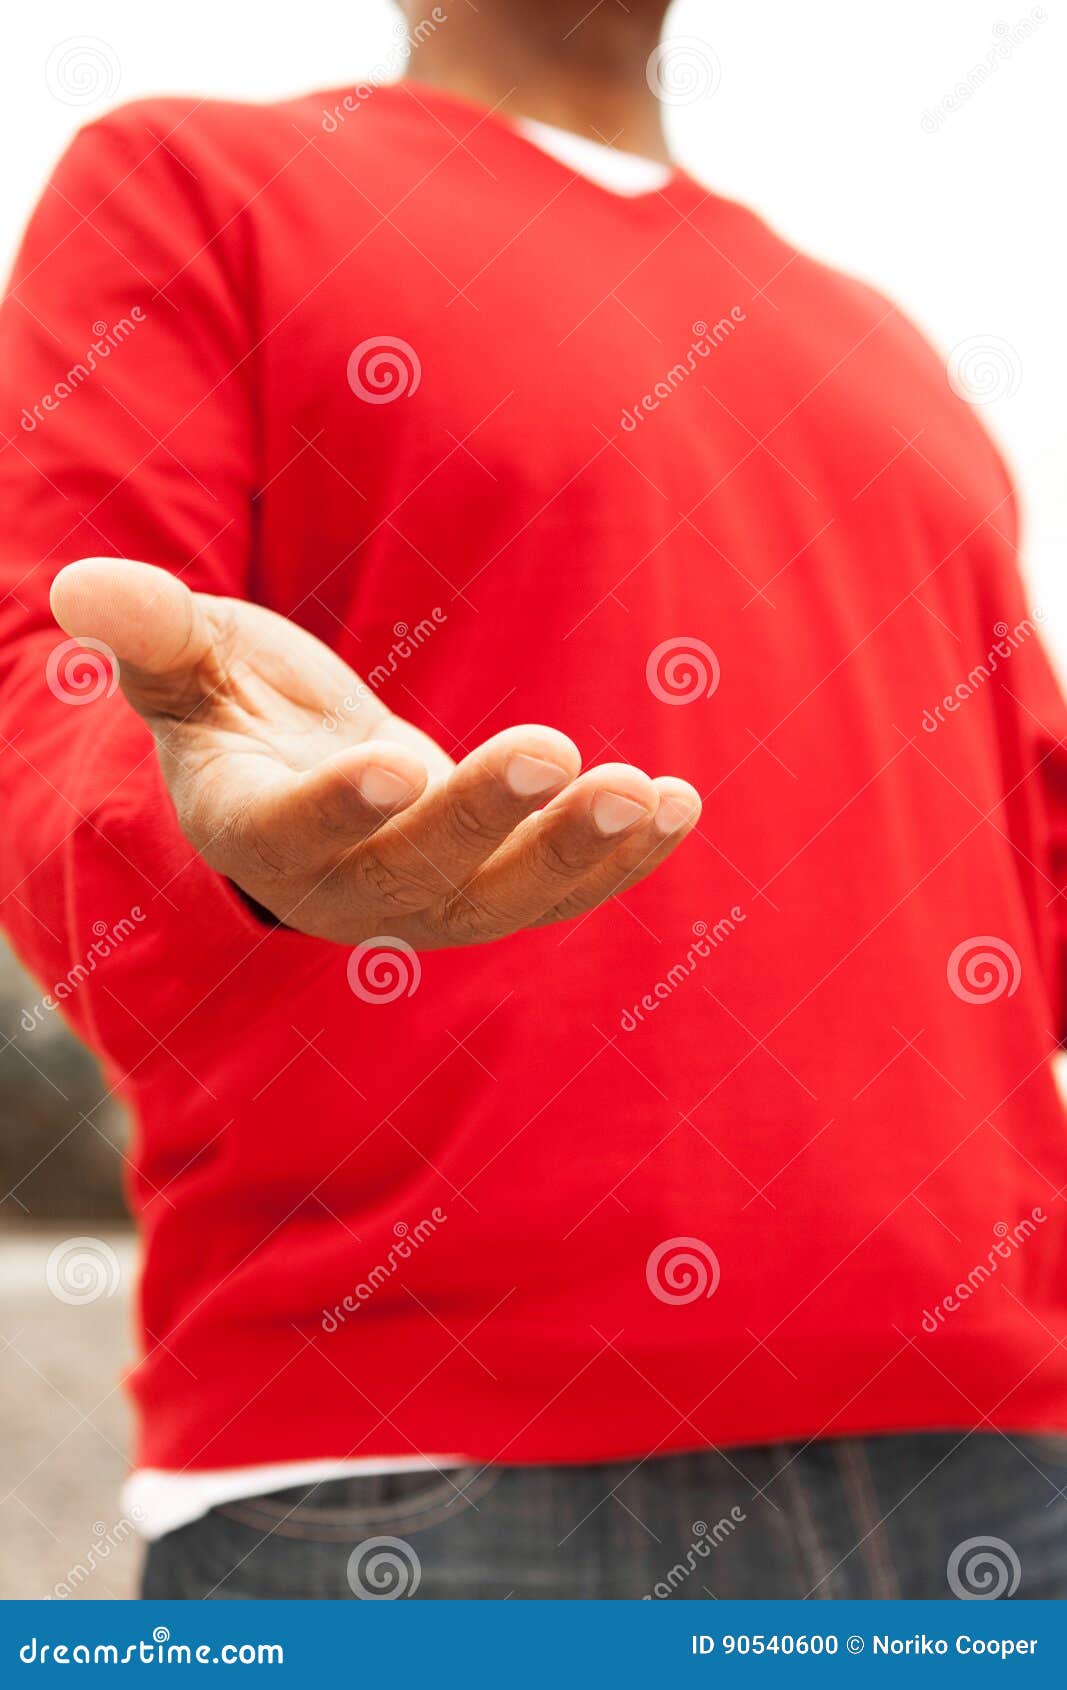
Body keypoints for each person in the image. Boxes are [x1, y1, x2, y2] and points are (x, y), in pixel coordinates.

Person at [2, 0, 1066, 1600]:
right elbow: (63, 686)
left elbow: (1021, 853)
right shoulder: (193, 183)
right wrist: (231, 843)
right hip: (414, 1486)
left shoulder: (885, 349)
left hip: (996, 1467)